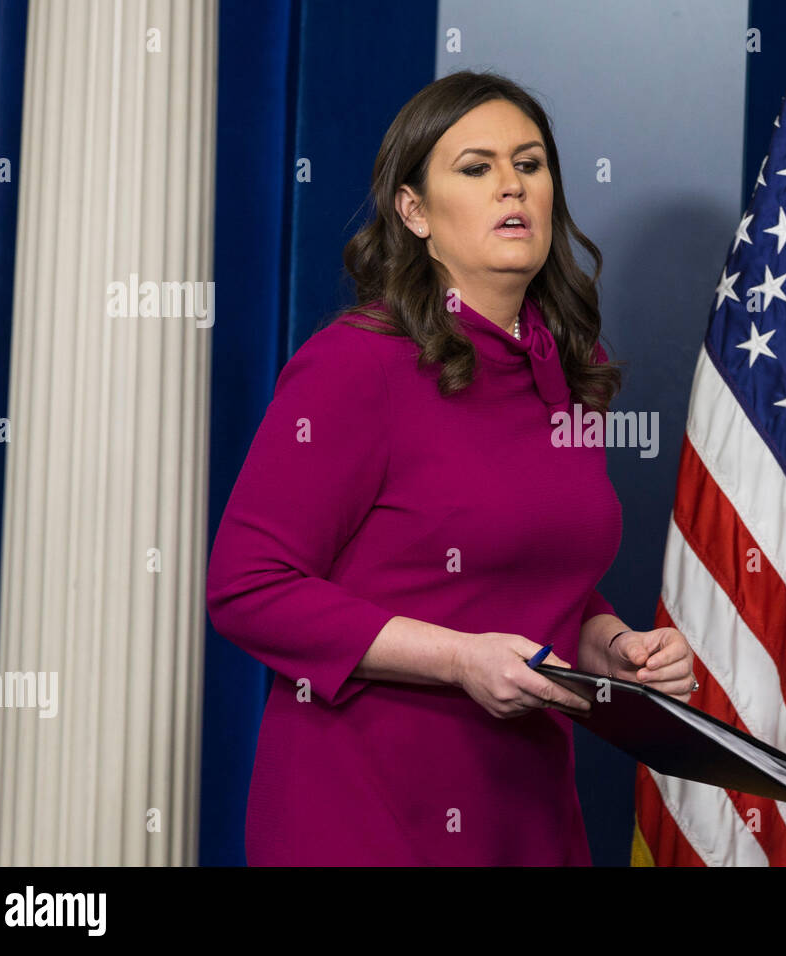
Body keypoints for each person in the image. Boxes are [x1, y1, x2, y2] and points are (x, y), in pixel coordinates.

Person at [205, 70, 695, 865]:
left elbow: (523, 571)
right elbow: (246, 587)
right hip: (369, 807)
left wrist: (609, 643)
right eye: (477, 168)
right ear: (414, 212)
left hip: (525, 805)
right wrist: (458, 658)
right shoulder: (354, 367)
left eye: (530, 164)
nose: (513, 185)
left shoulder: (572, 371)